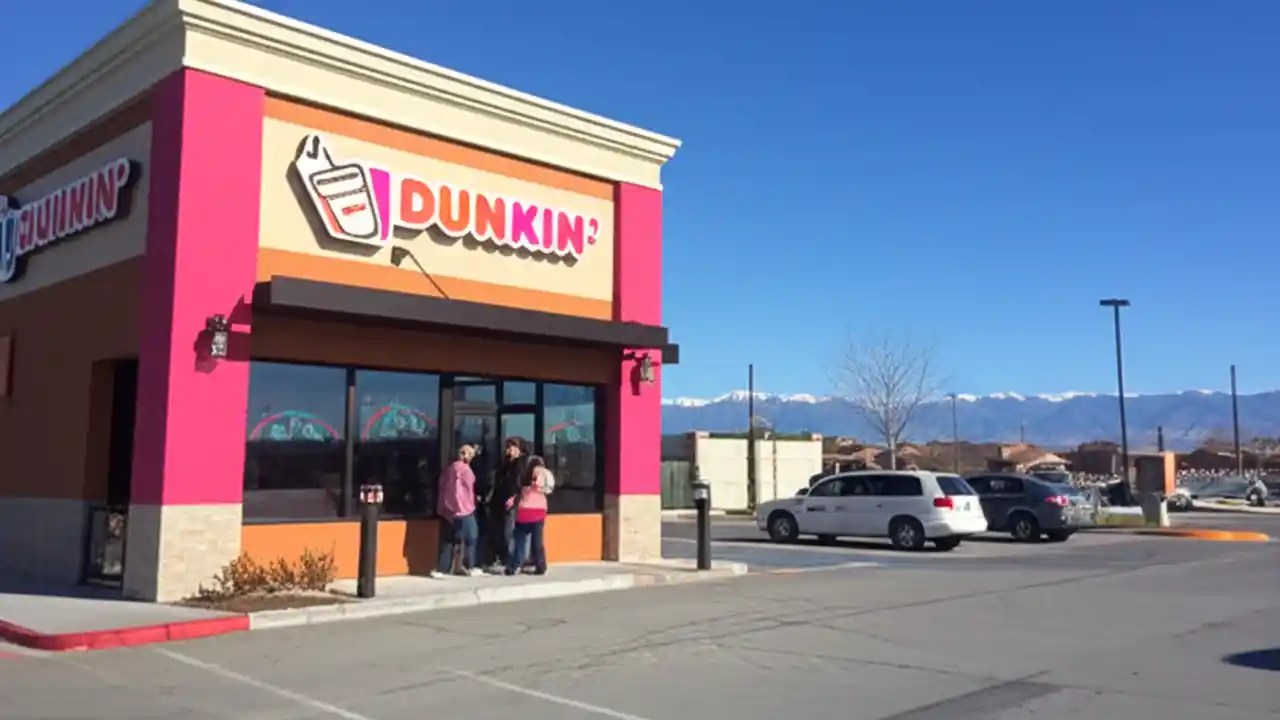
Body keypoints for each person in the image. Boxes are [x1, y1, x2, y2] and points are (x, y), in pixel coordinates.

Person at [431, 444, 483, 578]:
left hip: (448, 510)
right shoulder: (466, 470)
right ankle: (469, 566)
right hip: (464, 509)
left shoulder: (448, 470)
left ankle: (443, 568)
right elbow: (470, 488)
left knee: (448, 540)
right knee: (471, 537)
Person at [486, 437, 529, 573]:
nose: (509, 450)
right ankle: (506, 560)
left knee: (509, 533)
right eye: (508, 447)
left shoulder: (521, 464)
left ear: (519, 450)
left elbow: (521, 484)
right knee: (502, 532)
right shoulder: (505, 465)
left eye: (512, 447)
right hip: (501, 502)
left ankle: (513, 562)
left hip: (514, 503)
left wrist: (515, 498)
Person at [506, 456, 550, 576]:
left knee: (519, 541)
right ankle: (540, 566)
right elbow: (547, 487)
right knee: (537, 542)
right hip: (538, 512)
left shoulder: (524, 479)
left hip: (523, 512)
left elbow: (519, 494)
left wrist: (511, 502)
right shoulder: (543, 476)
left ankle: (516, 565)